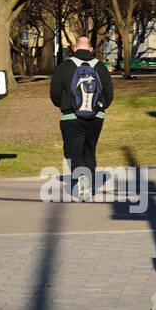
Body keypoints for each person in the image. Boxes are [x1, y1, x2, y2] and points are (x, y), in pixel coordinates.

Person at [49, 35, 115, 200]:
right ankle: (90, 187)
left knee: (72, 150)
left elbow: (55, 93)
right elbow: (109, 94)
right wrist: (100, 107)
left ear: (75, 48)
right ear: (91, 49)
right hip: (96, 116)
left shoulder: (64, 67)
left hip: (71, 116)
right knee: (89, 150)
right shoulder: (100, 67)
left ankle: (80, 176)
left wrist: (64, 105)